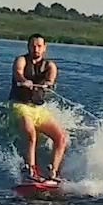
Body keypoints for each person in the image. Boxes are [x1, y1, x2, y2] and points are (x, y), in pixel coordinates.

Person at [9, 34, 69, 182]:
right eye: (33, 46)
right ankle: (30, 169)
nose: (36, 49)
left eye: (39, 46)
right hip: (20, 105)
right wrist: (24, 80)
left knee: (61, 138)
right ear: (28, 47)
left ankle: (53, 172)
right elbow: (18, 73)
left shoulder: (50, 65)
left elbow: (51, 79)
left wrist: (48, 84)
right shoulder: (21, 60)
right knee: (31, 134)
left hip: (38, 109)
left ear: (44, 48)